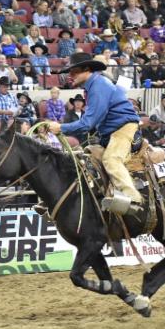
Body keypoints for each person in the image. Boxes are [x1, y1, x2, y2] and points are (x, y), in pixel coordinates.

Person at [47, 53, 142, 216]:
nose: (70, 76)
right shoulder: (94, 85)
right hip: (111, 132)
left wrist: (61, 128)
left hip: (124, 128)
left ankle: (134, 202)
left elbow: (87, 123)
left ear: (86, 69)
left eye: (74, 72)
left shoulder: (98, 86)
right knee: (87, 155)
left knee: (111, 159)